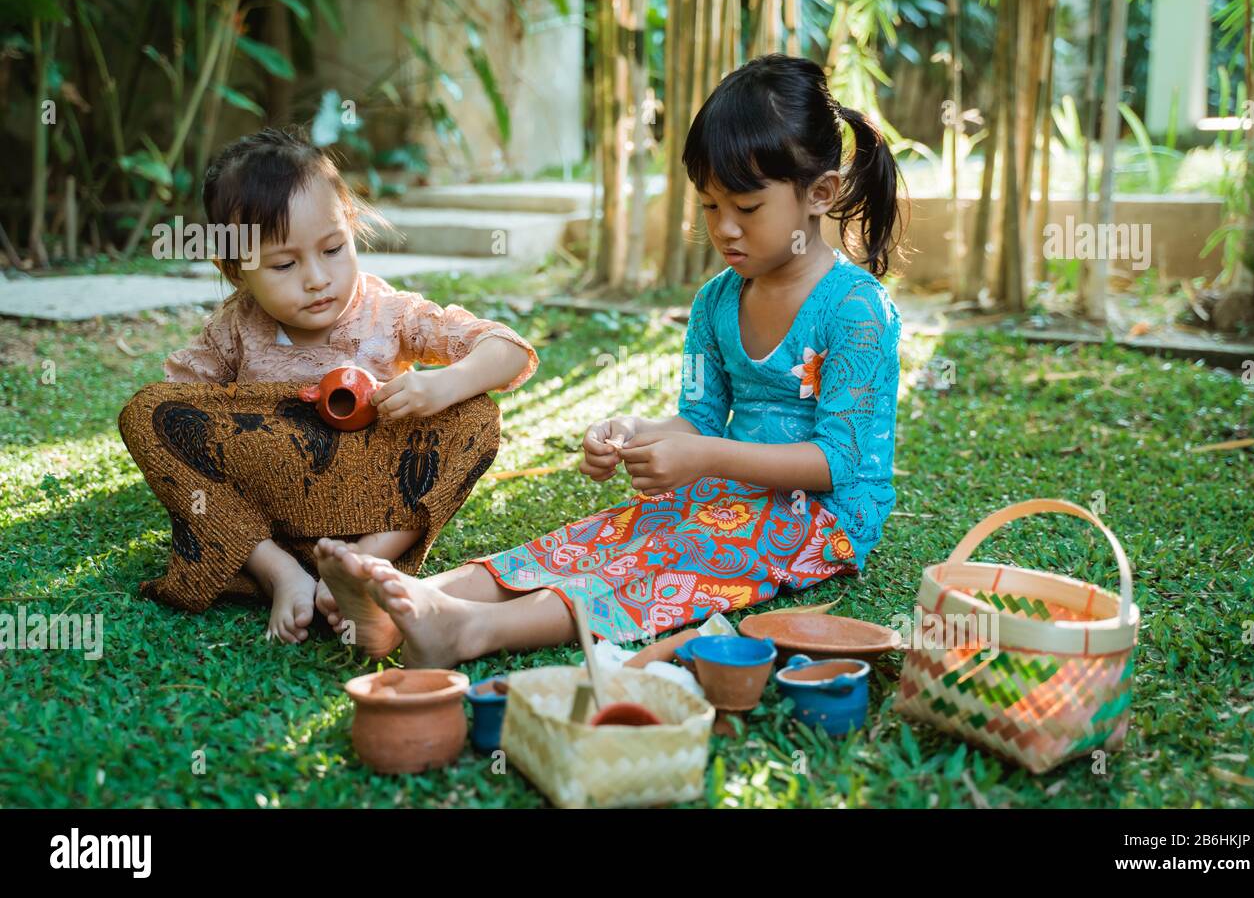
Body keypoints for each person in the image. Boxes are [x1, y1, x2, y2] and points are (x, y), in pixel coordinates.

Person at [316, 53, 904, 668]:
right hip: (728, 490)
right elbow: (699, 418)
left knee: (666, 564)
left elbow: (838, 462)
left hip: (823, 521)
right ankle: (405, 603)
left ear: (820, 194)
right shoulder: (715, 303)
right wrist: (637, 433)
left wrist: (705, 457)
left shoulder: (856, 312)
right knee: (599, 537)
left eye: (747, 209)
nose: (724, 229)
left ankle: (469, 631)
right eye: (709, 206)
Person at [117, 127, 537, 644]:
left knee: (476, 417)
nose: (316, 278)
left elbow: (509, 349)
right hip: (269, 515)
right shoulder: (235, 329)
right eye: (284, 264)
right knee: (145, 414)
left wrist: (444, 385)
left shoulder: (389, 314)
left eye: (333, 248)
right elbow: (176, 413)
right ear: (236, 270)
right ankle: (279, 572)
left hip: (375, 503)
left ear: (352, 229)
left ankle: (360, 565)